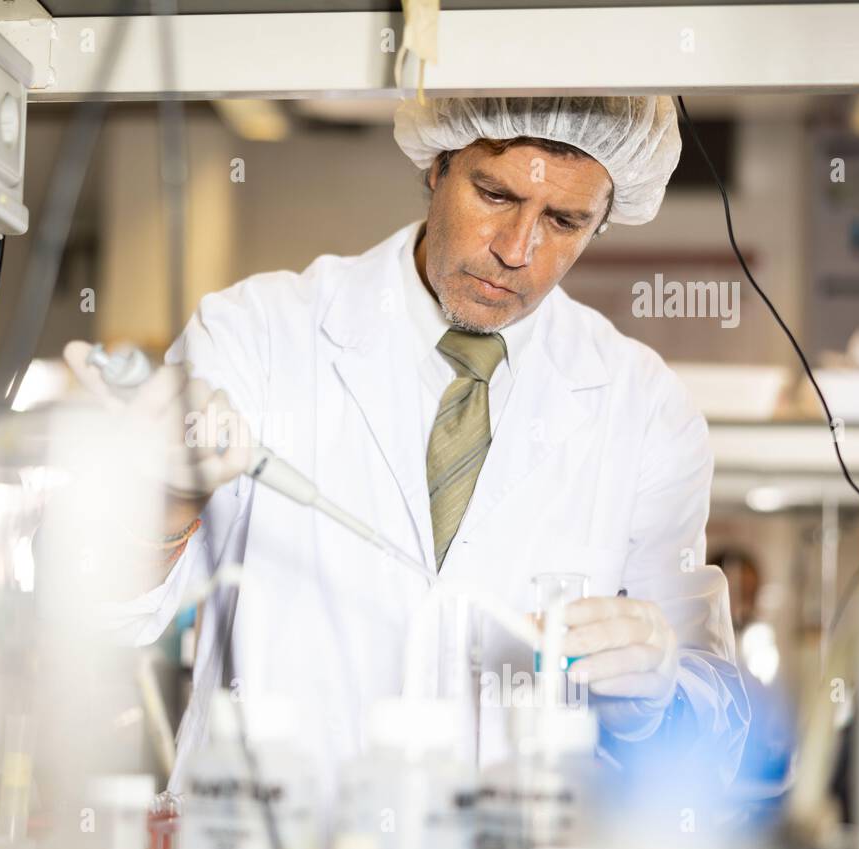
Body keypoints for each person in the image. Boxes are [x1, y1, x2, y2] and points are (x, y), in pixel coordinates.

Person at [74, 96, 751, 794]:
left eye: (564, 221)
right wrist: (164, 500)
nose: (516, 251)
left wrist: (656, 694)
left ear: (603, 220)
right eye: (494, 194)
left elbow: (714, 736)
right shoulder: (258, 335)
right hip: (269, 840)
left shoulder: (646, 410)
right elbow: (100, 617)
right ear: (438, 163)